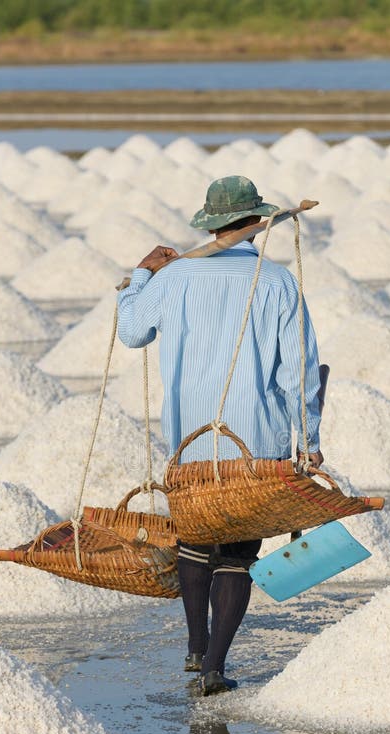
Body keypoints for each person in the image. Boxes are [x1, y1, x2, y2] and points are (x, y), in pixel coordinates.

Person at [117, 175, 322, 696]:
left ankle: (193, 645)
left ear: (211, 224)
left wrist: (142, 276)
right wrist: (310, 439)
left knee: (193, 540)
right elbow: (297, 371)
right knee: (236, 552)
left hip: (190, 439)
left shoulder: (174, 277)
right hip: (255, 443)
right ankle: (213, 665)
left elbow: (132, 332)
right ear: (256, 224)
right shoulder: (275, 282)